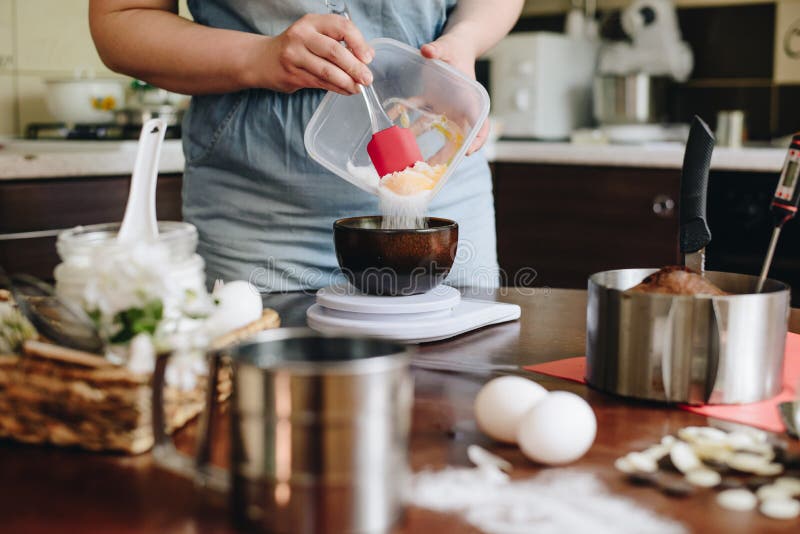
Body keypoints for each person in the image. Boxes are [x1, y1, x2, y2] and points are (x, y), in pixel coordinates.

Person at [89, 0, 524, 292]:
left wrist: (463, 41)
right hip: (259, 215)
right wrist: (259, 56)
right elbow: (122, 17)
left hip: (442, 197)